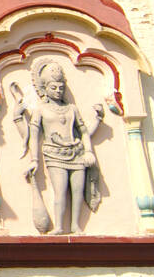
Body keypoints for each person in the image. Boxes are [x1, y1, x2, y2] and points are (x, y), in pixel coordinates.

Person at [21, 58, 103, 234]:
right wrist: (34, 160)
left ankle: (75, 225)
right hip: (54, 153)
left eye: (60, 87)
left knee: (77, 191)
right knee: (60, 191)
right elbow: (34, 136)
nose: (58, 91)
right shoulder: (40, 109)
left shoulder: (71, 108)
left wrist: (89, 149)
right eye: (53, 88)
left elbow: (84, 132)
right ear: (44, 88)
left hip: (76, 152)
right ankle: (59, 226)